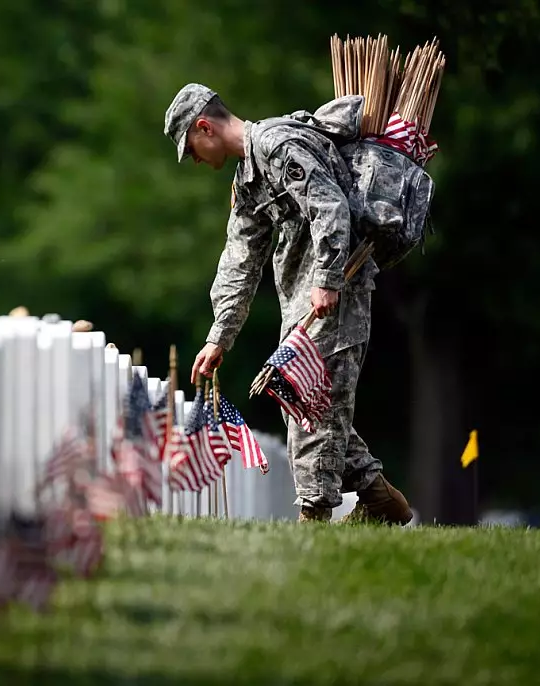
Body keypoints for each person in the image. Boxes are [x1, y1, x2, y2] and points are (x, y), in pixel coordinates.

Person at [163, 83, 412, 525]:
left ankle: (314, 516)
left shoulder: (280, 146)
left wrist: (328, 279)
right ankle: (378, 495)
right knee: (294, 393)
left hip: (337, 290)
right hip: (302, 300)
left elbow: (330, 206)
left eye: (192, 149)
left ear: (205, 126)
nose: (196, 160)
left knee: (315, 397)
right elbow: (239, 260)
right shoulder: (247, 180)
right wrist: (219, 336)